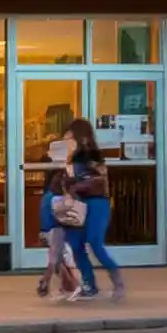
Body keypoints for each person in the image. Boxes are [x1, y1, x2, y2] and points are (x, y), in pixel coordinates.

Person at [63, 118, 125, 301]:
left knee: (94, 241)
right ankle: (89, 284)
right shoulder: (73, 156)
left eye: (69, 133)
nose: (66, 137)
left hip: (97, 203)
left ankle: (117, 280)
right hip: (79, 203)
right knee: (75, 242)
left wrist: (76, 186)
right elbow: (69, 180)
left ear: (78, 135)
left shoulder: (92, 155)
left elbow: (98, 181)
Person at [37, 168, 80, 299]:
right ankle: (47, 282)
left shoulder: (46, 196)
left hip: (47, 230)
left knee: (58, 260)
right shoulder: (58, 198)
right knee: (56, 260)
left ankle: (67, 286)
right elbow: (63, 216)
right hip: (57, 230)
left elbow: (44, 215)